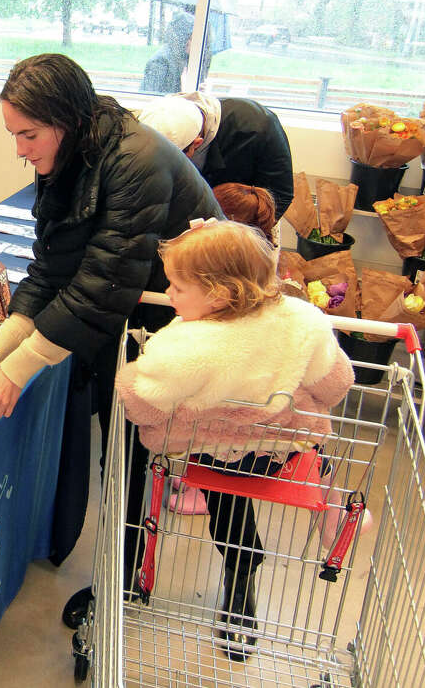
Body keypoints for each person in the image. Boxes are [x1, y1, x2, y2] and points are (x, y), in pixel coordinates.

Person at [0, 53, 220, 628]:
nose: (20, 150)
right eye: (14, 135)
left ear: (65, 120)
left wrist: (17, 370)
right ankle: (124, 577)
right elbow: (51, 272)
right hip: (135, 310)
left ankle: (235, 586)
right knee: (123, 452)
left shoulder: (136, 160)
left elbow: (98, 289)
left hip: (194, 323)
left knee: (217, 460)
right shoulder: (68, 156)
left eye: (28, 134)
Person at [117, 219, 354, 661]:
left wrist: (130, 375)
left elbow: (142, 407)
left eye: (178, 288)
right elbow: (336, 385)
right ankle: (314, 491)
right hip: (284, 452)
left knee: (219, 474)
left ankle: (241, 563)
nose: (169, 294)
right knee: (256, 450)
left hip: (217, 454)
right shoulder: (305, 321)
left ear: (218, 295)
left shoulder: (185, 346)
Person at [165, 183, 278, 515]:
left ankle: (200, 490)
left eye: (178, 287)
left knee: (228, 510)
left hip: (229, 453)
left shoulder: (205, 336)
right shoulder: (266, 308)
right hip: (270, 445)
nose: (169, 294)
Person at [137, 92, 294, 220]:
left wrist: (241, 236)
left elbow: (280, 195)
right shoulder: (158, 117)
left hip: (237, 221)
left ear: (196, 144)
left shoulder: (260, 128)